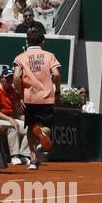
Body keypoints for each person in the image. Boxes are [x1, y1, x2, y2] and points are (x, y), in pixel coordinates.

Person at [12, 24, 61, 171]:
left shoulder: (20, 58)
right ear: (42, 42)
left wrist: (20, 95)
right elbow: (57, 75)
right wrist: (57, 90)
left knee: (30, 130)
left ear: (27, 42)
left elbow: (16, 77)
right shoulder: (49, 56)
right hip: (46, 97)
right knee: (46, 128)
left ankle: (33, 161)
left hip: (29, 98)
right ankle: (43, 134)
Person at [0, 65, 29, 166]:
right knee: (12, 126)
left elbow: (16, 111)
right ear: (2, 78)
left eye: (11, 77)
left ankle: (24, 155)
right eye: (7, 78)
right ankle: (14, 156)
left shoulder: (12, 90)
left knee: (29, 127)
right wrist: (10, 119)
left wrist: (23, 118)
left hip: (8, 118)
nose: (10, 80)